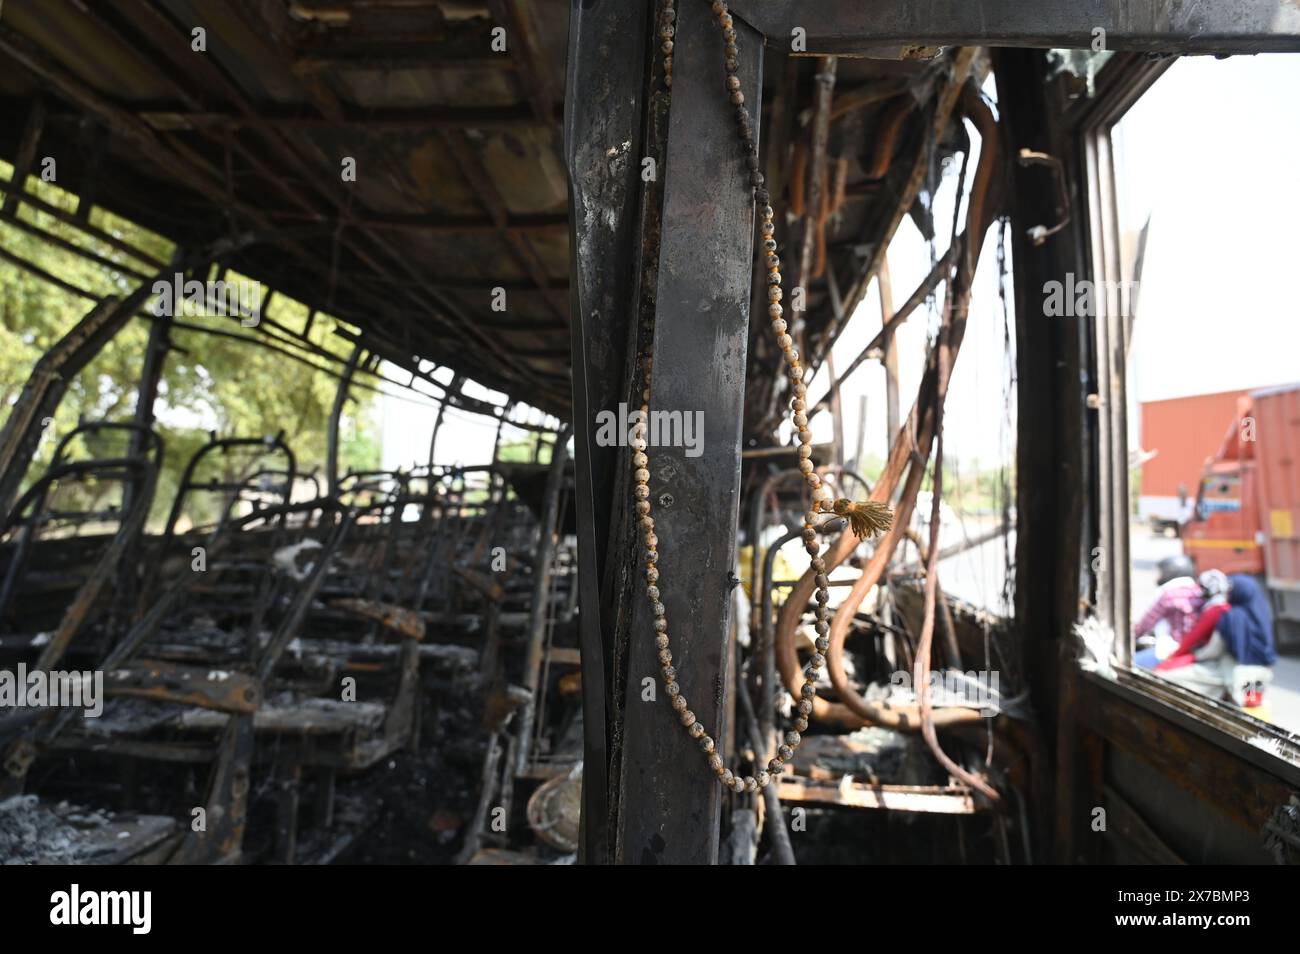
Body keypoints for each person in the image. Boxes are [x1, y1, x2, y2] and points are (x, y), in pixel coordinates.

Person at [1157, 573, 1277, 707]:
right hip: (1258, 678)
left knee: (1166, 678)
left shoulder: (1231, 617)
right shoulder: (1263, 614)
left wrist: (1195, 656)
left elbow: (1214, 650)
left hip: (1231, 674)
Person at [1133, 555, 1204, 666]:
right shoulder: (1198, 592)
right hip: (1196, 651)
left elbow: (1145, 624)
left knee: (1129, 663)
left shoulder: (1167, 594)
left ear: (1171, 572)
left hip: (1169, 651)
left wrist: (1130, 637)